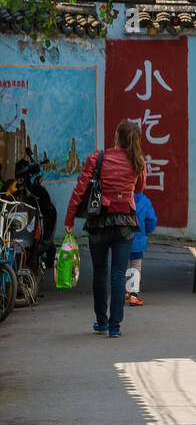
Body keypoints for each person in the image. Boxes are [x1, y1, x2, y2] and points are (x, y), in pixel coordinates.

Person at [65, 120, 146, 338]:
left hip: (99, 222)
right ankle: (115, 326)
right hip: (125, 224)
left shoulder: (97, 158)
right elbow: (139, 188)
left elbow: (80, 189)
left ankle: (101, 321)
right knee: (119, 273)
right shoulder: (138, 161)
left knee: (100, 271)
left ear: (117, 135)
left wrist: (69, 218)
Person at [125, 192, 157, 307]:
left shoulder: (122, 196)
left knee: (124, 264)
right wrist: (146, 232)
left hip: (122, 238)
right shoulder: (144, 200)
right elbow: (151, 220)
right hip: (138, 239)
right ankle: (133, 295)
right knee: (135, 267)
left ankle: (126, 291)